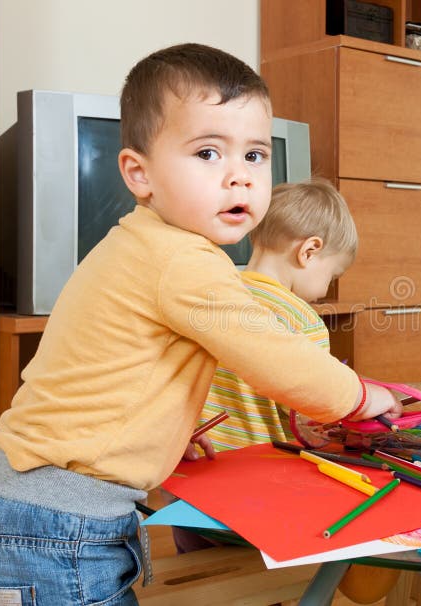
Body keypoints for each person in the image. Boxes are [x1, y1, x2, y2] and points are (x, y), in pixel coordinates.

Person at [0, 43, 400, 605]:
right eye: (208, 153)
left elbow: (109, 380)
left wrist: (166, 435)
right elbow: (276, 356)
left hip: (21, 513)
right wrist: (360, 397)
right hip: (51, 530)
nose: (238, 177)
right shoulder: (183, 261)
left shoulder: (138, 247)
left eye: (255, 155)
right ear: (140, 174)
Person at [171, 176, 358, 552]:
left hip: (186, 483)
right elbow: (312, 416)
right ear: (309, 251)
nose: (326, 289)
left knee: (198, 571)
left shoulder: (212, 296)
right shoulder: (303, 321)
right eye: (332, 275)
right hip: (254, 493)